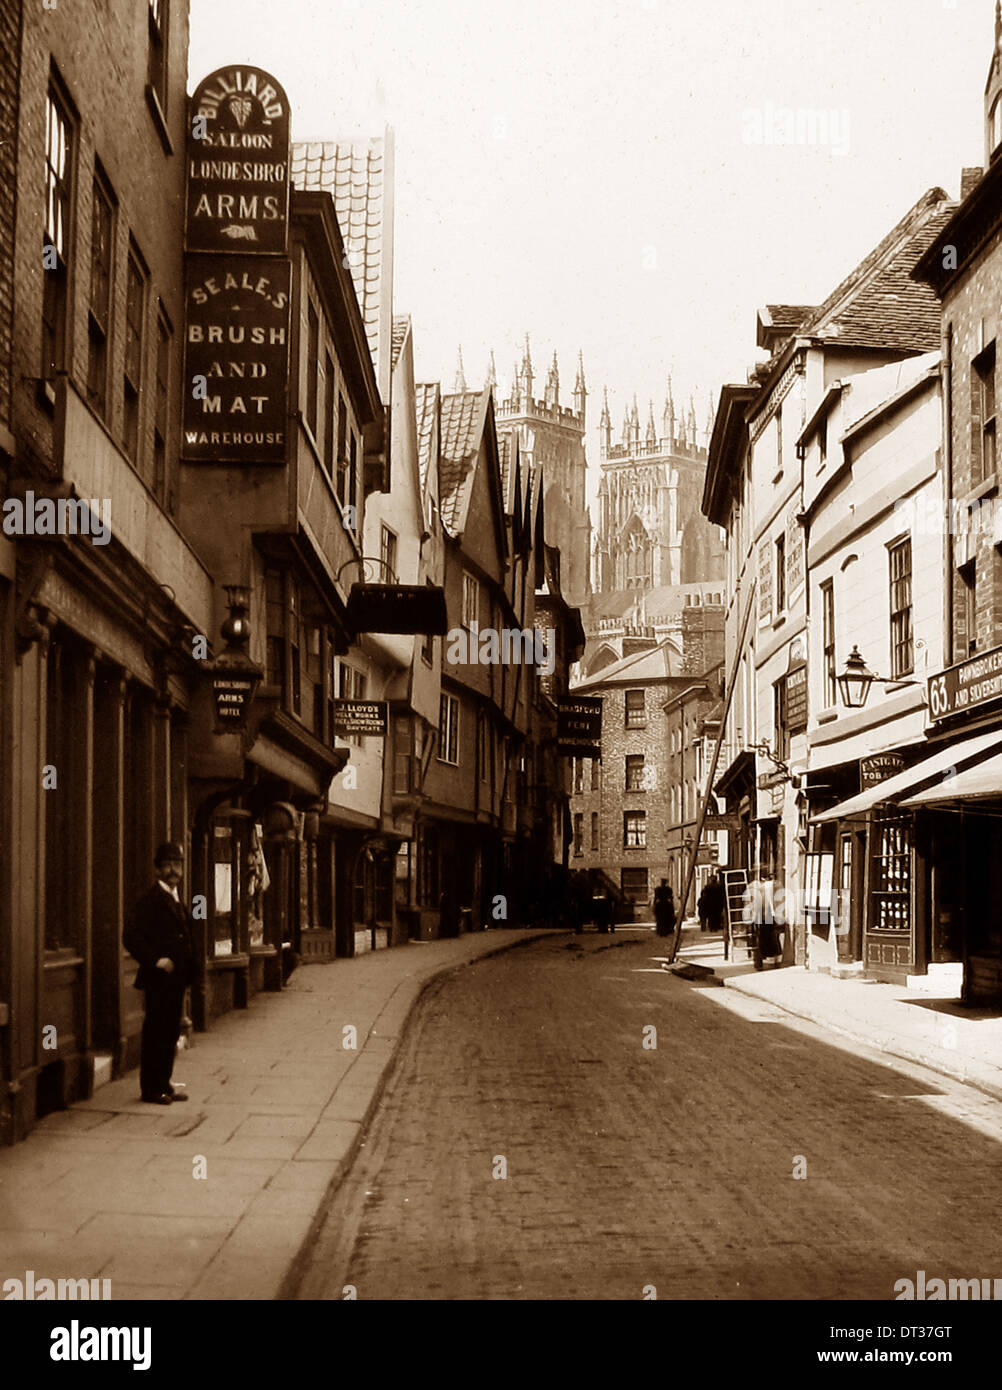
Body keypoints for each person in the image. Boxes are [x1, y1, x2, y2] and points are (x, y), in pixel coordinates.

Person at [123, 842, 197, 1105]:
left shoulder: (177, 899)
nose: (173, 870)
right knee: (156, 1032)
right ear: (157, 869)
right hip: (159, 980)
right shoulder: (150, 901)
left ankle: (164, 1082)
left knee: (169, 1032)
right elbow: (130, 936)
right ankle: (151, 1089)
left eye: (177, 865)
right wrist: (155, 960)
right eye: (167, 865)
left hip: (175, 981)